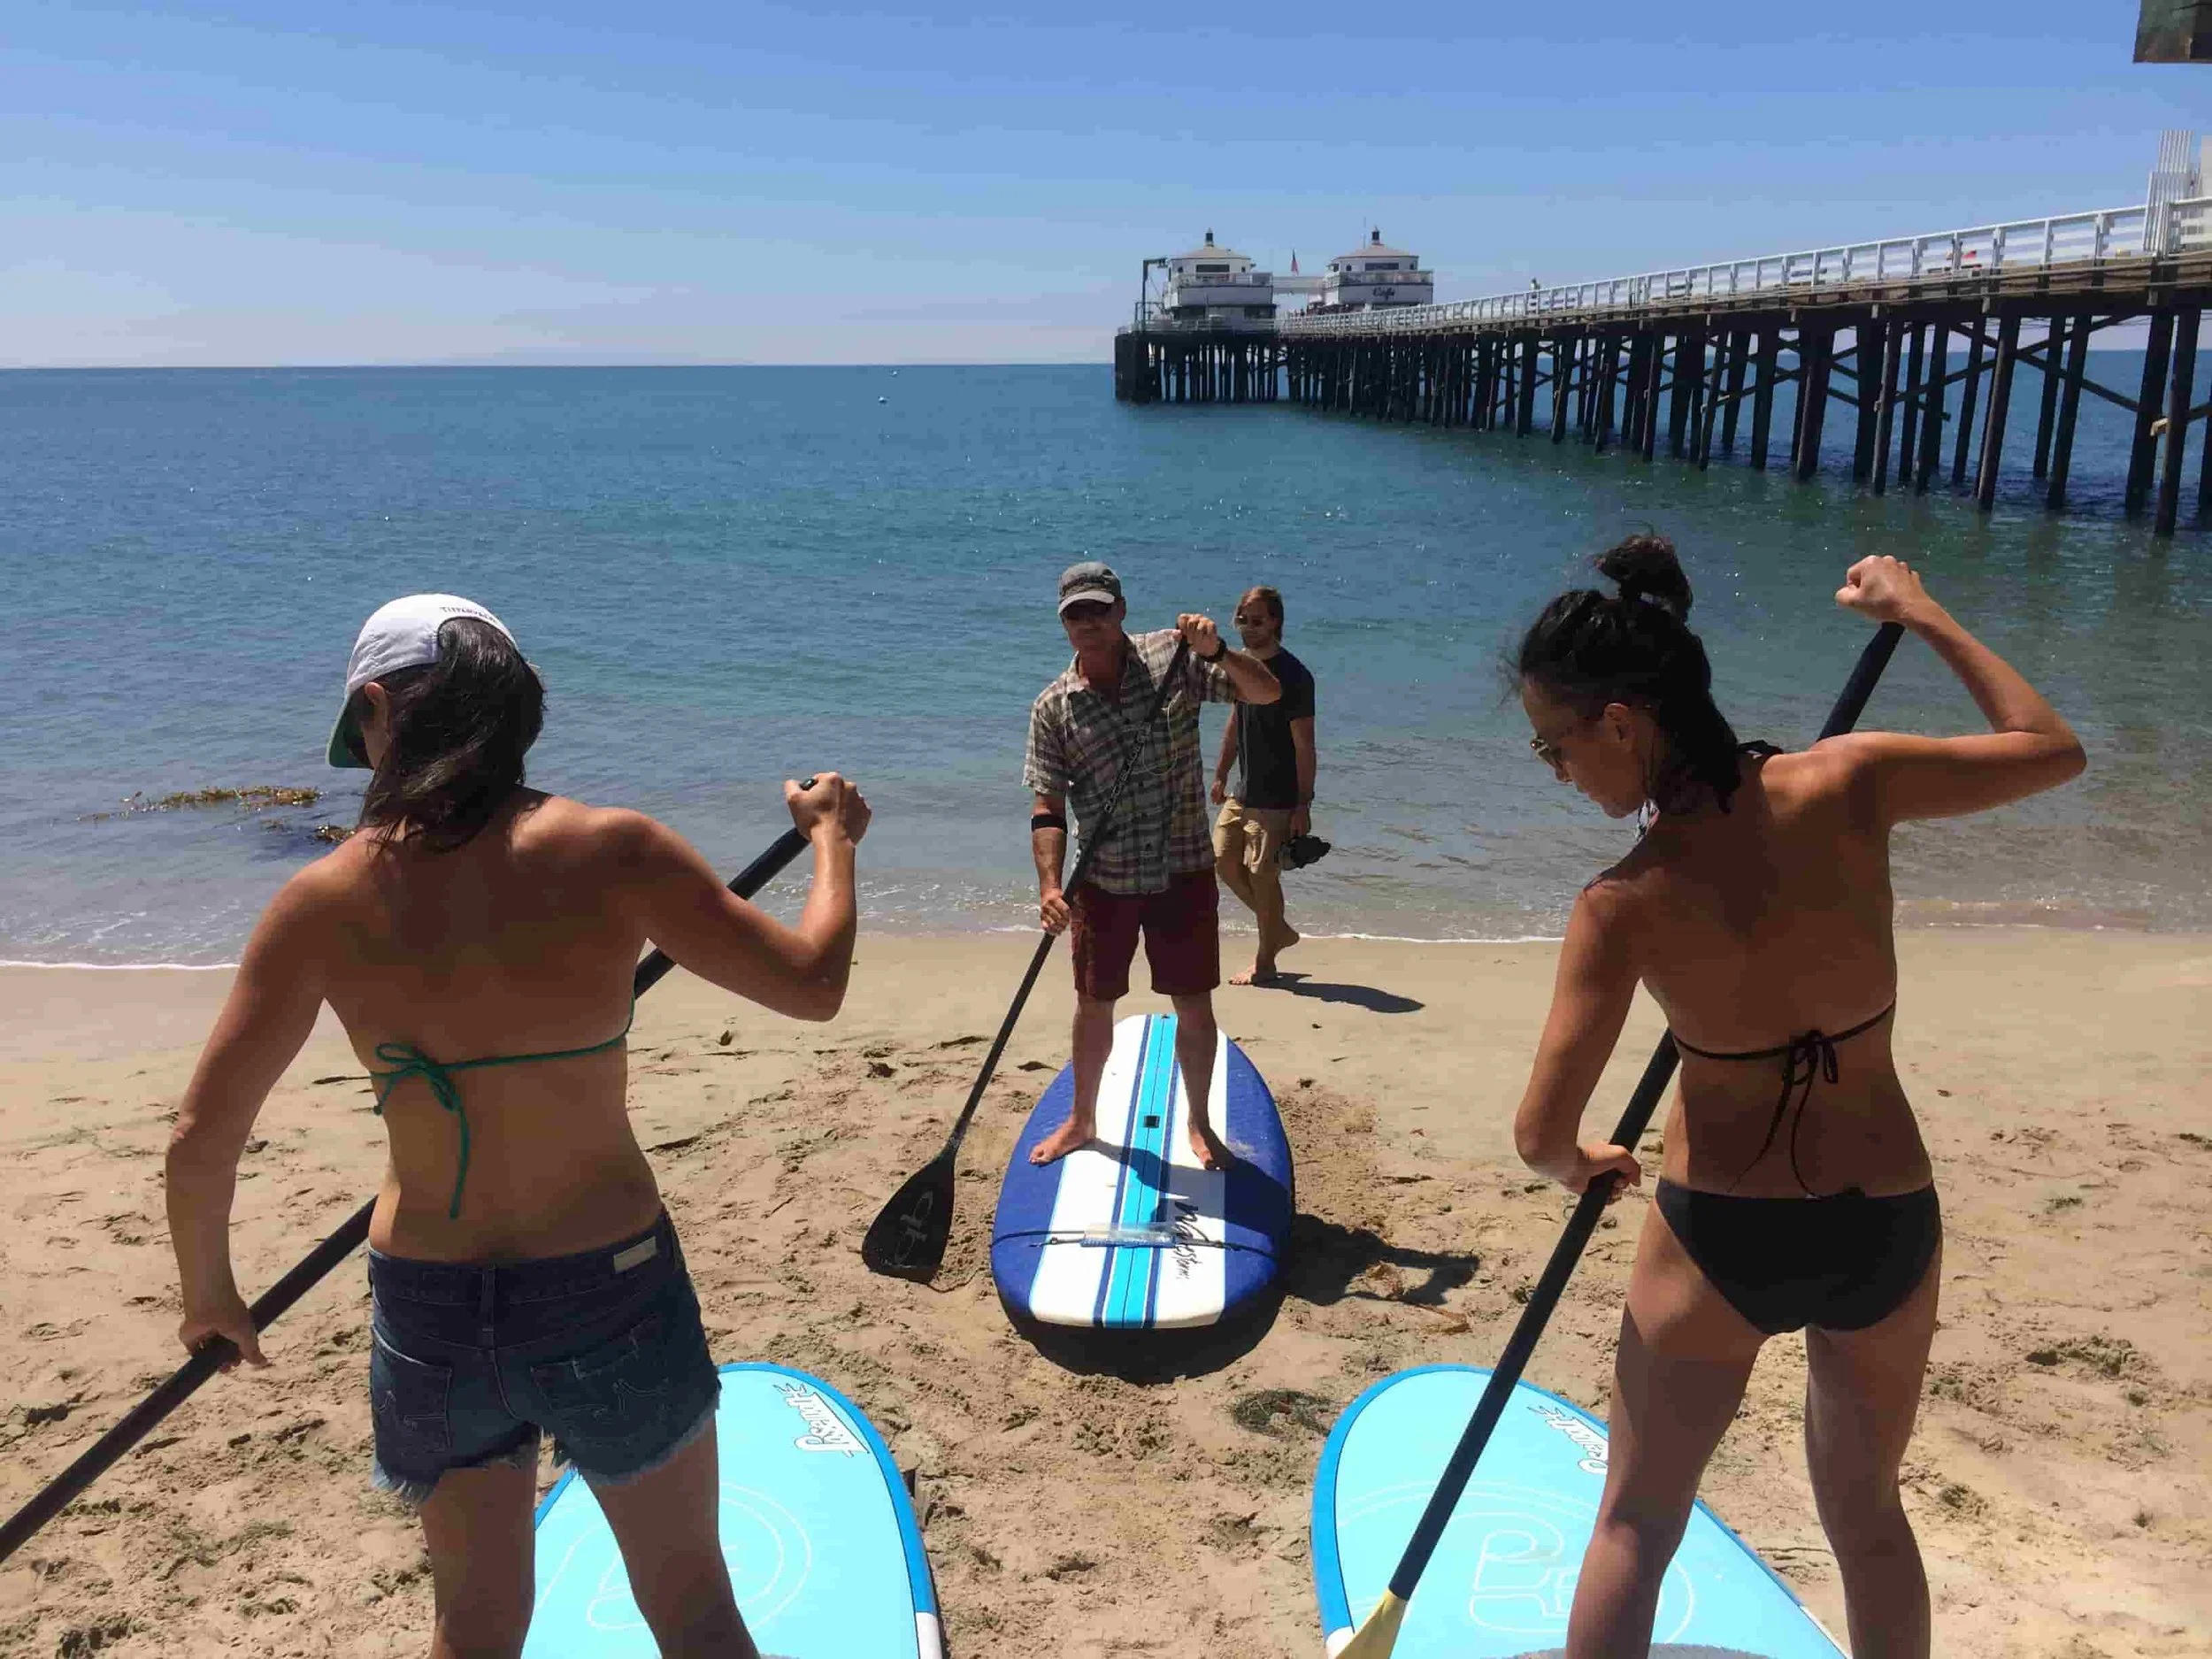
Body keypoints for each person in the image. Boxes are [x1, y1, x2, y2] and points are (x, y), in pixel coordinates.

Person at [164, 594, 870, 1659]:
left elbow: (201, 1133)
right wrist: (828, 843)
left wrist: (211, 1296)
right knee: (688, 1602)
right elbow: (814, 985)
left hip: (430, 1302)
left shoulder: (319, 901)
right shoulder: (611, 850)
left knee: (476, 1624)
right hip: (608, 1280)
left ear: (373, 712)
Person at [1509, 541, 2084, 1659]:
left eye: (1553, 743)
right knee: (1867, 1517)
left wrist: (1585, 1160)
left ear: (1622, 724)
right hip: (1885, 1223)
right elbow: (2050, 750)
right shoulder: (1847, 782)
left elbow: (1538, 1137)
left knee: (1636, 1524)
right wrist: (1922, 612)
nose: (1554, 769)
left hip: (1722, 1233)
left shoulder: (1621, 903)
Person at [1024, 561, 1281, 1171]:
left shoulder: (1175, 659)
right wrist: (1051, 885)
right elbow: (1047, 808)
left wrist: (1218, 649)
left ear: (1121, 610)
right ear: (1063, 622)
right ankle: (1082, 1121)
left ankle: (1199, 1123)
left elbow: (1265, 691)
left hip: (1182, 870)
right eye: (1074, 614)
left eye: (1098, 610)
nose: (1087, 623)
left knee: (1194, 1003)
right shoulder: (1053, 707)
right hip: (1103, 880)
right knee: (1093, 1004)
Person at [1210, 585, 1317, 986]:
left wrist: (1303, 804)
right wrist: (1221, 772)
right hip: (1243, 790)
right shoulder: (1243, 667)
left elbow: (1305, 745)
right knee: (1222, 860)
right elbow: (1235, 725)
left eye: (1258, 621)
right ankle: (1279, 931)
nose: (1249, 629)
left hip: (1277, 798)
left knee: (1262, 874)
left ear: (1276, 622)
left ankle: (1265, 962)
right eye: (1243, 620)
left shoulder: (1295, 676)